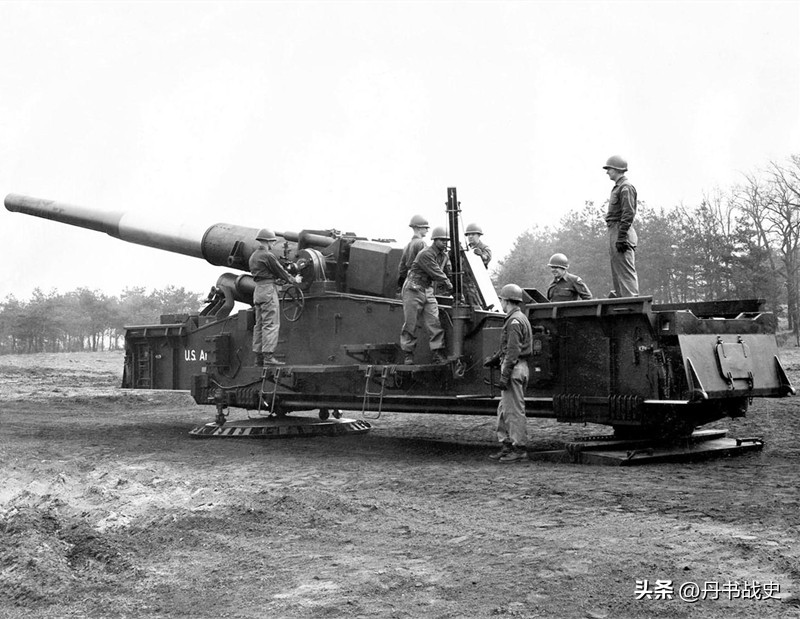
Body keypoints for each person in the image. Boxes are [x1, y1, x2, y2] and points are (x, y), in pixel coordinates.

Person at [484, 284, 532, 463]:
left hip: (513, 368)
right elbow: (509, 347)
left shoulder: (513, 321)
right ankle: (507, 445)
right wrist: (496, 358)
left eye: (502, 300)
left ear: (506, 300)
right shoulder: (519, 318)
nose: (501, 303)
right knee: (504, 409)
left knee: (513, 411)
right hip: (517, 366)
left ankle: (519, 449)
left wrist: (504, 376)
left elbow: (513, 350)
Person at [399, 226, 453, 365]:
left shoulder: (444, 256)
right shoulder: (425, 254)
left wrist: (454, 284)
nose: (445, 242)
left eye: (447, 240)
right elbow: (436, 272)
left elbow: (448, 272)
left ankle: (437, 352)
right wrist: (448, 283)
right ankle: (408, 354)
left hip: (428, 289)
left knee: (434, 322)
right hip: (413, 288)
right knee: (411, 323)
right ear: (434, 240)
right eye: (442, 240)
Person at [249, 228, 295, 366]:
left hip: (258, 291)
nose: (273, 244)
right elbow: (280, 271)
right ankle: (268, 357)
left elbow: (265, 274)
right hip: (268, 291)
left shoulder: (253, 256)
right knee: (271, 323)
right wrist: (294, 280)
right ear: (268, 241)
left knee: (259, 325)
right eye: (272, 242)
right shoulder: (268, 256)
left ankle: (258, 358)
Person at [603, 155, 639, 297]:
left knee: (625, 273)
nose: (607, 172)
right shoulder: (619, 187)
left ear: (617, 169)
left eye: (609, 169)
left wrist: (622, 236)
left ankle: (631, 303)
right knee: (618, 274)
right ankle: (623, 303)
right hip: (615, 231)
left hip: (620, 231)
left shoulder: (625, 187)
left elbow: (628, 213)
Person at [397, 214, 429, 291]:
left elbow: (402, 268)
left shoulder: (408, 245)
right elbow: (427, 265)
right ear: (419, 228)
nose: (427, 230)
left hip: (409, 281)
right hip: (419, 282)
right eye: (426, 228)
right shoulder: (421, 244)